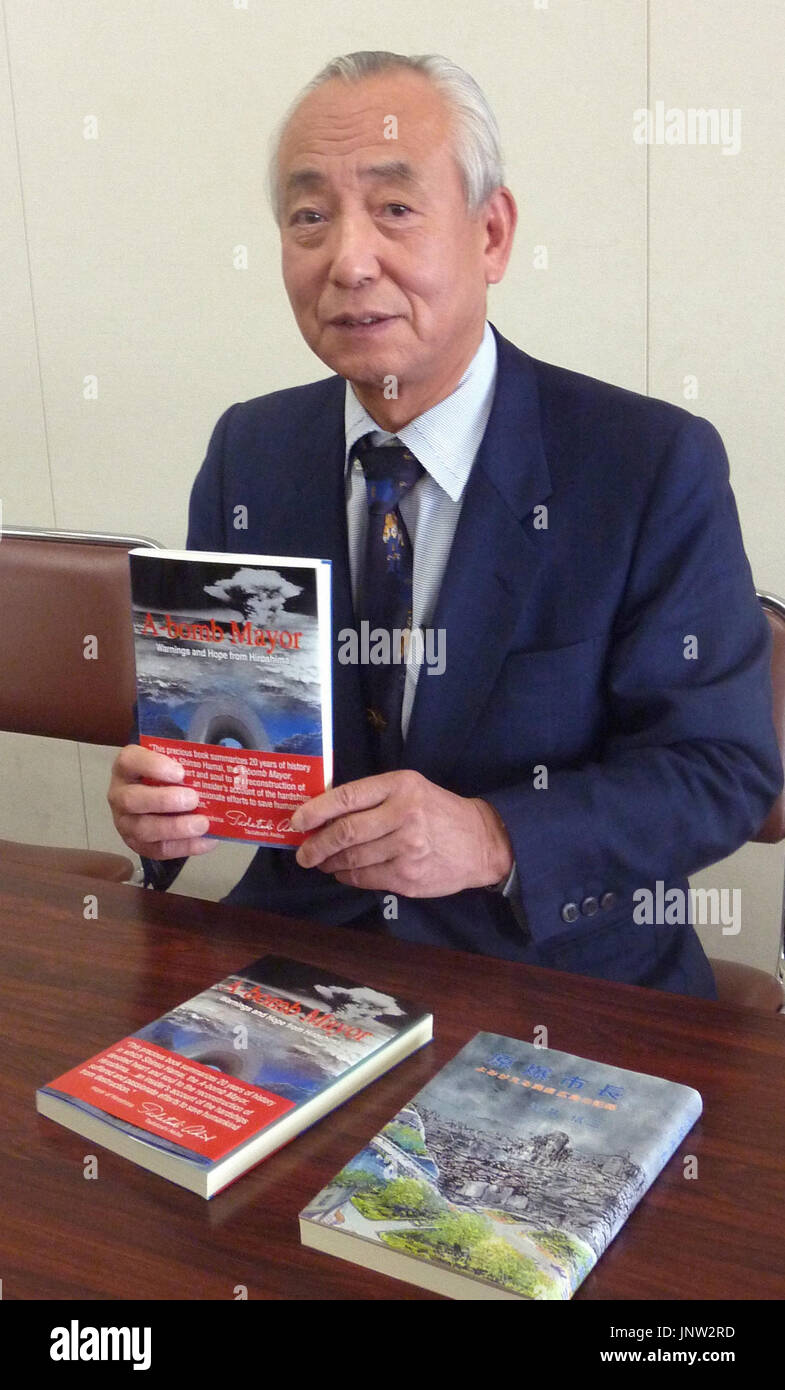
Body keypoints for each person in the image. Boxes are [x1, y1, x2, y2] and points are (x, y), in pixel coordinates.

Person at [108, 51, 782, 999]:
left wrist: (496, 834)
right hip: (304, 960)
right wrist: (168, 808)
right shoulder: (247, 451)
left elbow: (721, 770)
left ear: (492, 234)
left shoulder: (646, 464)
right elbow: (227, 736)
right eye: (309, 217)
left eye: (393, 208)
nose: (348, 260)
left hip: (556, 974)